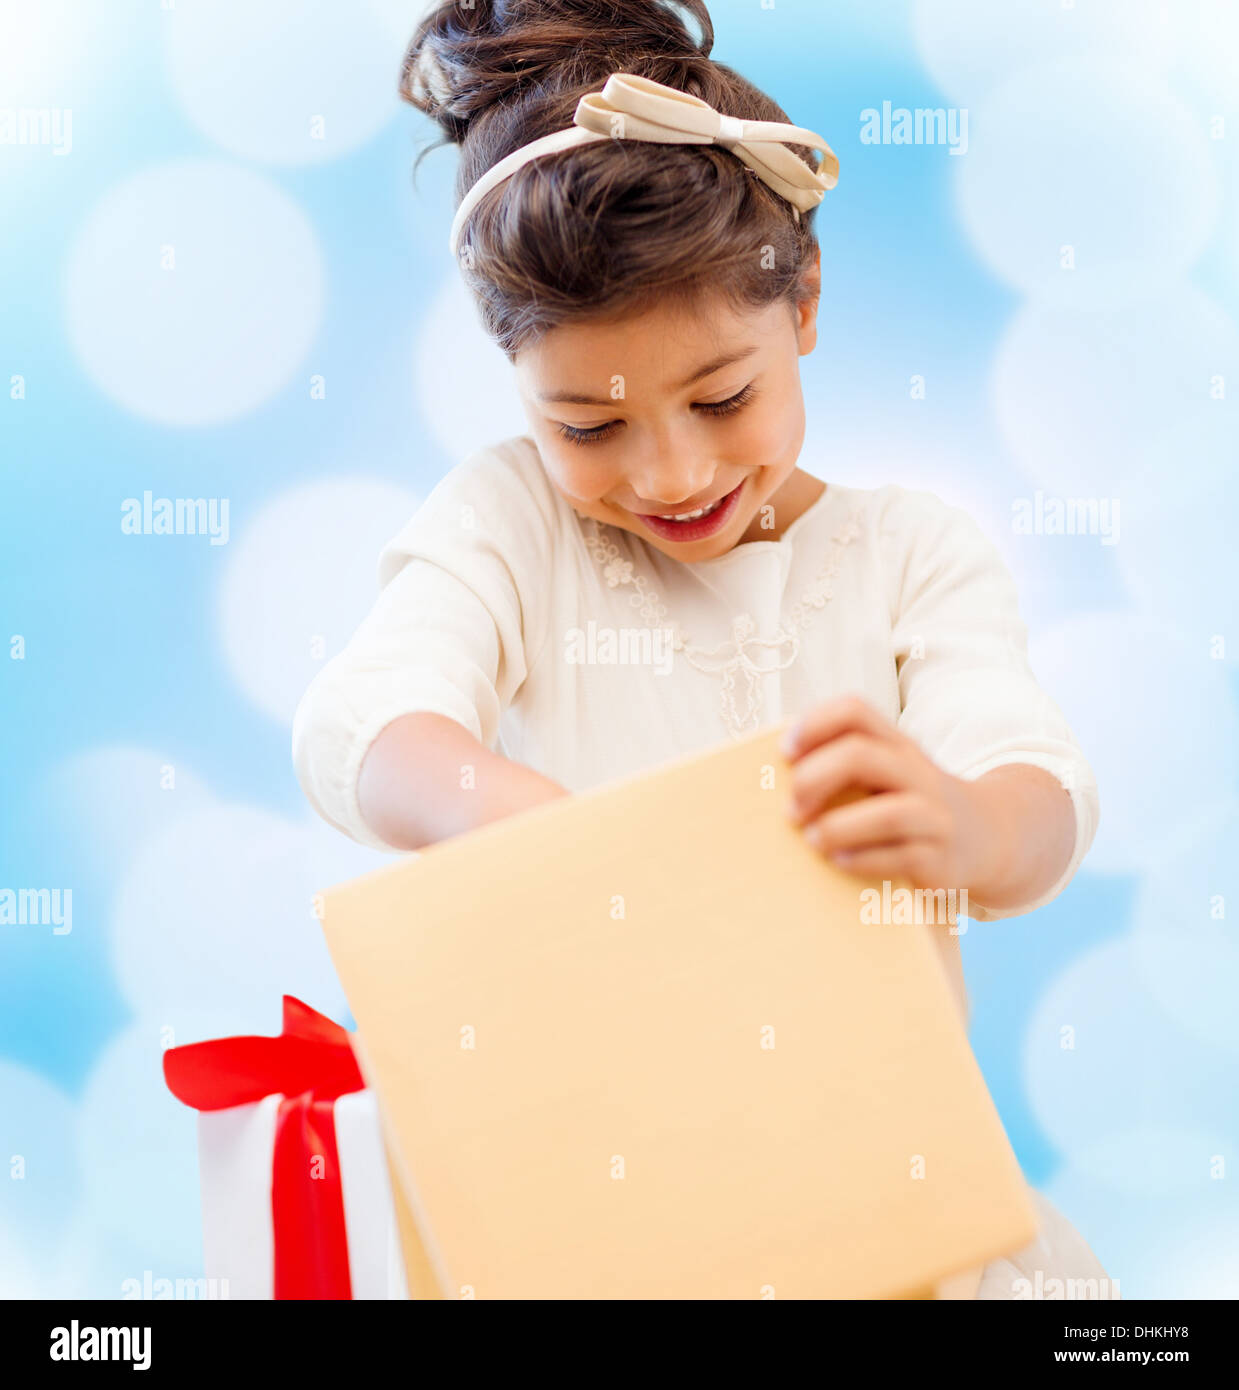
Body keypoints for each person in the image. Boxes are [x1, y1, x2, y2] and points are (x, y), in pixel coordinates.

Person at [293, 0, 1109, 1300]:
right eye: (587, 426)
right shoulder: (514, 529)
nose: (670, 473)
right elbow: (361, 729)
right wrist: (554, 837)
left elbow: (1043, 800)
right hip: (610, 1220)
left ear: (806, 303)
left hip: (886, 1215)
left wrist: (962, 823)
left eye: (722, 397)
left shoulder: (905, 556)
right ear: (517, 390)